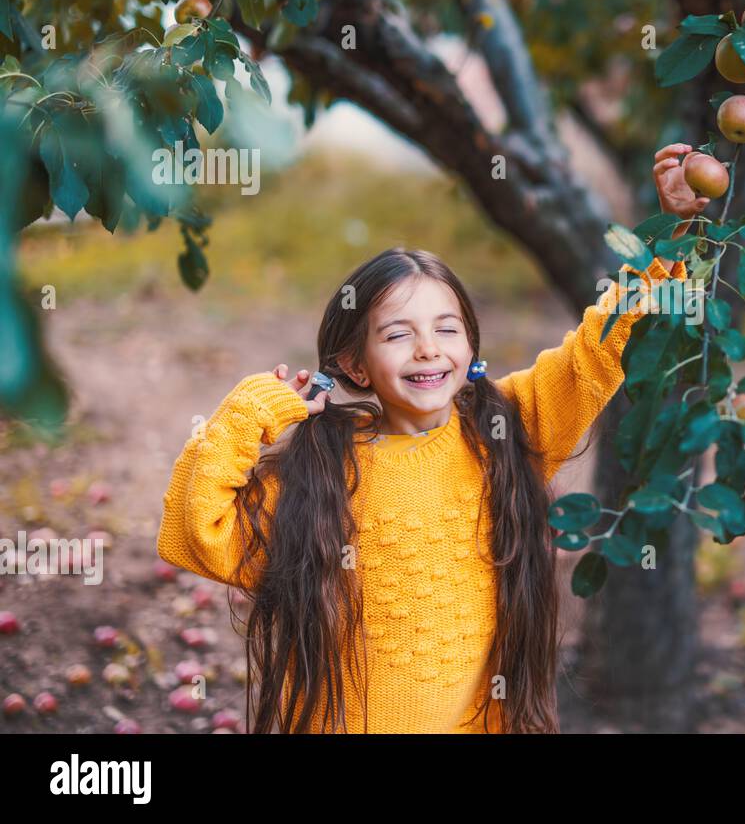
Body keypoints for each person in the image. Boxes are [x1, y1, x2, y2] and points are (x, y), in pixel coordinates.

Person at [156, 145, 711, 733]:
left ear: (470, 347)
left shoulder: (507, 428)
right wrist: (252, 409)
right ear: (355, 363)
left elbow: (598, 346)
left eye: (447, 328)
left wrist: (671, 236)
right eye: (398, 334)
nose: (428, 348)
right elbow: (194, 534)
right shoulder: (321, 474)